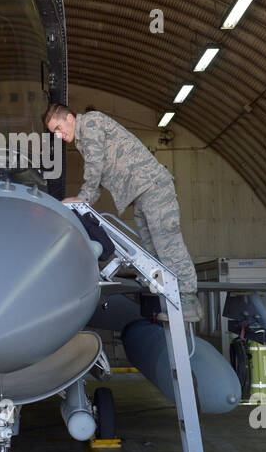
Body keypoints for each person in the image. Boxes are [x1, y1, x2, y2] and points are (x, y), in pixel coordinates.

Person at [44, 103, 202, 322]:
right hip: (140, 194)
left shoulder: (90, 122)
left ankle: (188, 300)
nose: (59, 135)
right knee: (152, 249)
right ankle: (166, 292)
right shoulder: (83, 140)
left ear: (70, 117)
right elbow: (97, 173)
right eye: (55, 133)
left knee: (168, 244)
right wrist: (84, 197)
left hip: (152, 187)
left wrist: (84, 197)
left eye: (59, 128)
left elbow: (95, 164)